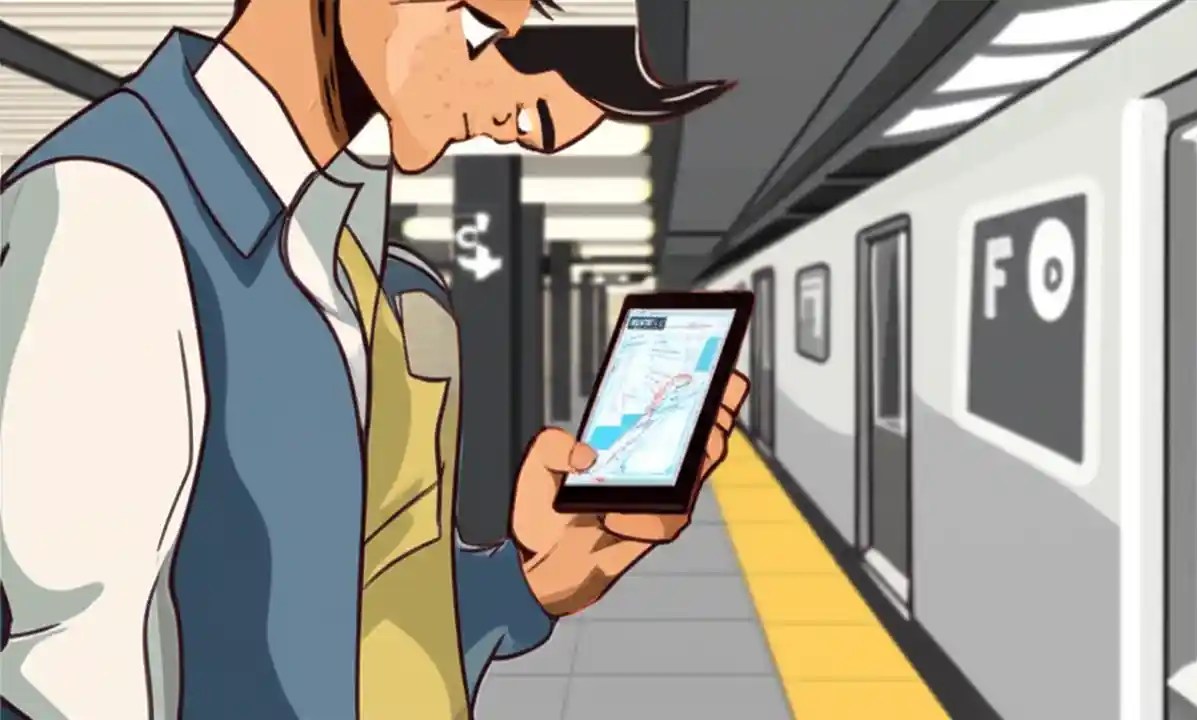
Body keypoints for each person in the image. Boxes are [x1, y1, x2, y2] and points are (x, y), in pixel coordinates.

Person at [0, 1, 747, 718]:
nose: (496, 77)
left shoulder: (364, 277)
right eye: (479, 20)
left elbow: (346, 642)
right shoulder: (110, 217)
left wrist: (529, 581)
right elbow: (60, 681)